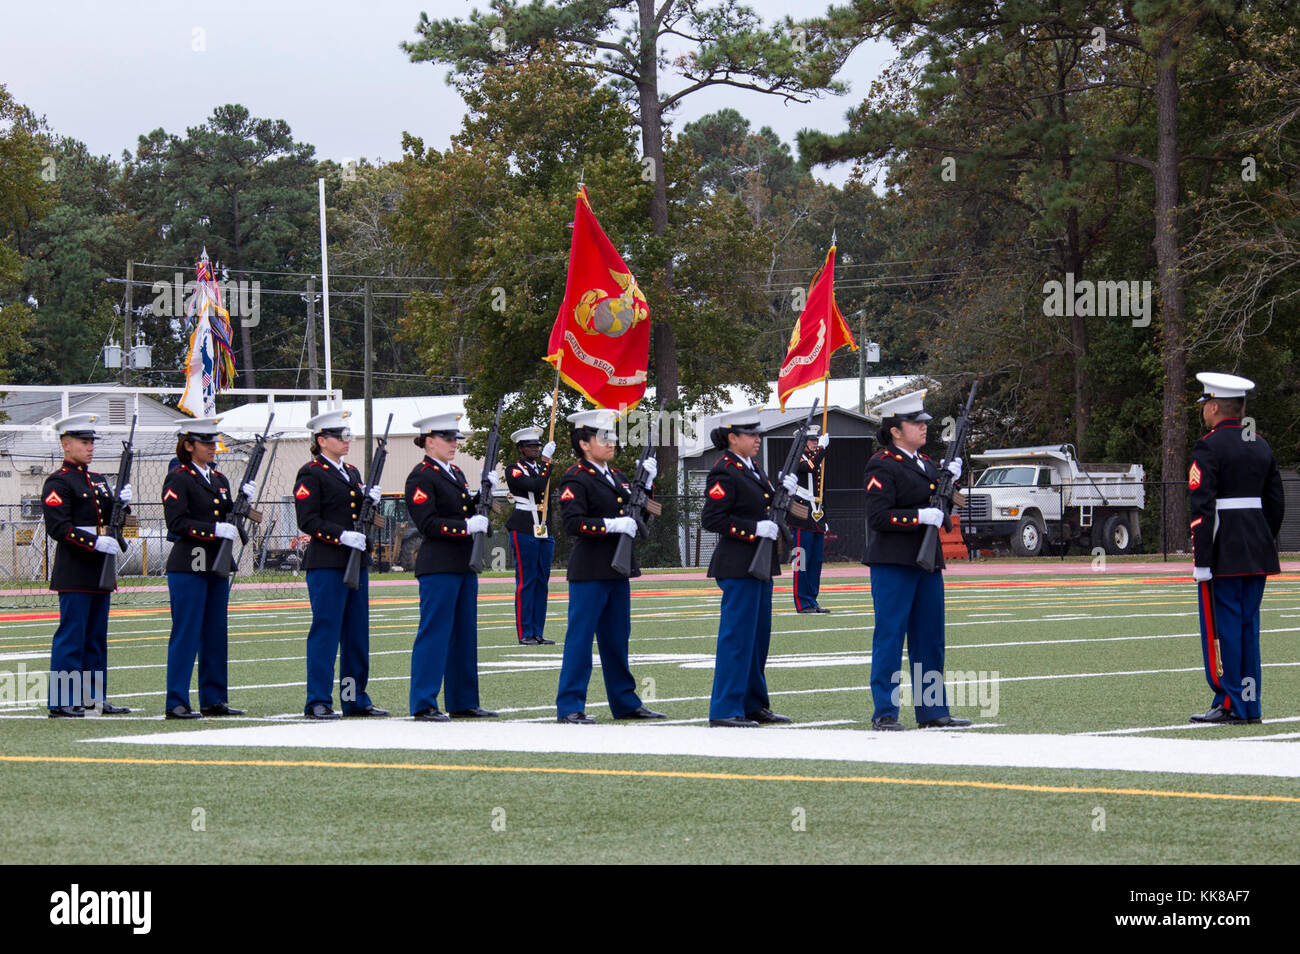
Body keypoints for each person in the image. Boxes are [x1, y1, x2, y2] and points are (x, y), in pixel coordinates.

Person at [863, 389, 969, 731]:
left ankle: (933, 711)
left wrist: (949, 479)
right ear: (895, 430)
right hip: (893, 561)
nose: (924, 428)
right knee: (891, 637)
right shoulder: (881, 464)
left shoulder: (925, 464)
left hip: (926, 562)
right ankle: (885, 712)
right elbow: (878, 517)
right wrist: (920, 517)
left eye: (924, 422)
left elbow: (946, 506)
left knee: (929, 639)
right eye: (915, 423)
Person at [554, 409, 665, 724]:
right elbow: (573, 523)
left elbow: (639, 520)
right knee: (580, 639)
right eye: (603, 437)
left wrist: (648, 484)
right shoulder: (576, 477)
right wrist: (611, 525)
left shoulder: (618, 477)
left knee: (617, 639)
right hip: (590, 570)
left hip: (618, 569)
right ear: (585, 444)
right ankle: (570, 705)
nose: (611, 442)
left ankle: (625, 701)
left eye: (612, 436)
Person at [1187, 372, 1285, 725]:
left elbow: (1202, 509)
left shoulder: (1209, 446)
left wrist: (1202, 560)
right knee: (1248, 627)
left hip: (1223, 550)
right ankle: (1249, 703)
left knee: (1224, 627)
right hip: (1256, 550)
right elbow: (1276, 504)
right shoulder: (1260, 444)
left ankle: (1229, 703)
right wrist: (1260, 537)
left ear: (1214, 406)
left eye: (1205, 405)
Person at [700, 407, 793, 727]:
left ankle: (753, 703)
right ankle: (725, 708)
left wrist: (785, 492)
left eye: (758, 433)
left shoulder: (752, 467)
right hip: (739, 563)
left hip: (759, 564)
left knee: (757, 639)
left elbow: (764, 504)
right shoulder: (724, 471)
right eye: (751, 434)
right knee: (737, 638)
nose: (757, 439)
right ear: (732, 438)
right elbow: (711, 518)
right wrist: (754, 529)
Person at [292, 409, 388, 720]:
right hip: (327, 562)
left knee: (356, 635)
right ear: (321, 440)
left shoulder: (353, 472)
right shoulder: (311, 473)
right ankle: (318, 700)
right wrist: (342, 535)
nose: (346, 440)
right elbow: (307, 520)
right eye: (339, 436)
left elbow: (357, 513)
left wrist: (370, 502)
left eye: (347, 435)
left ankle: (354, 697)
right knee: (326, 632)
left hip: (354, 561)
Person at [405, 412, 499, 722]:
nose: (453, 444)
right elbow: (428, 524)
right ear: (429, 441)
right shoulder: (421, 476)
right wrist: (466, 525)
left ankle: (463, 701)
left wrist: (484, 494)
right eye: (447, 439)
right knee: (435, 634)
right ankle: (423, 702)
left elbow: (465, 509)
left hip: (463, 564)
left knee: (464, 635)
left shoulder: (455, 472)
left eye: (455, 439)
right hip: (439, 565)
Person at [41, 414, 134, 717]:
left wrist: (123, 504)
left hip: (100, 569)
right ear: (66, 445)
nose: (90, 447)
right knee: (72, 637)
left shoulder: (98, 481)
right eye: (84, 442)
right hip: (75, 568)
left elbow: (113, 518)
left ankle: (93, 698)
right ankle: (62, 700)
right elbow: (59, 528)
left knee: (95, 638)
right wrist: (93, 541)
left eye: (92, 441)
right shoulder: (58, 481)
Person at [161, 417, 253, 719]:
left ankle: (214, 699)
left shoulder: (219, 479)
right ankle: (176, 700)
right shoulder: (179, 478)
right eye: (206, 443)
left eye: (214, 442)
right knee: (187, 632)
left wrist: (243, 502)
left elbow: (227, 513)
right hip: (190, 561)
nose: (213, 448)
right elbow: (177, 523)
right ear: (189, 446)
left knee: (216, 633)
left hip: (217, 561)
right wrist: (213, 530)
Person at [505, 426, 557, 645]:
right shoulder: (514, 469)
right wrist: (546, 460)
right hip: (524, 526)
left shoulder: (540, 468)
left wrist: (545, 463)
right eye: (530, 446)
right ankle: (525, 632)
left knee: (541, 581)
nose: (534, 449)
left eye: (537, 446)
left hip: (543, 528)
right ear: (521, 448)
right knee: (526, 581)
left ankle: (538, 631)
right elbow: (535, 486)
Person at [790, 423, 832, 614]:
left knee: (816, 561)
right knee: (802, 560)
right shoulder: (796, 458)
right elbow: (809, 467)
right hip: (800, 512)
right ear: (802, 442)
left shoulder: (816, 457)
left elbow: (820, 489)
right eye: (812, 440)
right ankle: (802, 602)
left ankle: (812, 600)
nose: (815, 443)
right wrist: (823, 448)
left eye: (817, 440)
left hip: (817, 513)